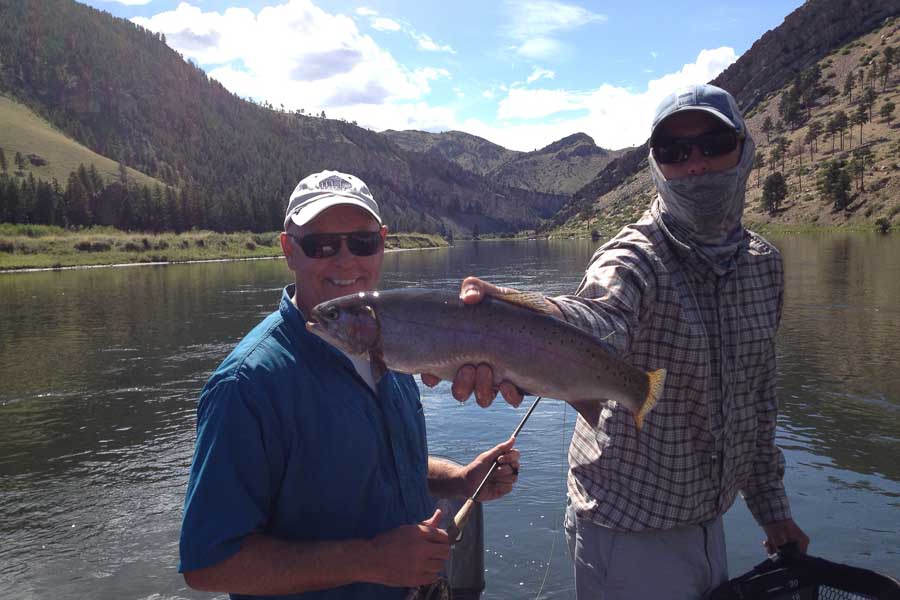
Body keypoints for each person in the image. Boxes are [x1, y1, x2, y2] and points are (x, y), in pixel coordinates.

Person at [425, 84, 809, 599]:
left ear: (744, 148)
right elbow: (597, 316)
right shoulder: (631, 258)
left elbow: (757, 406)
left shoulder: (765, 267)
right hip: (624, 535)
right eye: (674, 151)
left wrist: (774, 513)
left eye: (713, 144)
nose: (695, 164)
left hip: (709, 526)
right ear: (656, 166)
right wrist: (512, 322)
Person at [179, 169, 521, 600]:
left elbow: (373, 466)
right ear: (288, 249)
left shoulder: (393, 347)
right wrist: (369, 560)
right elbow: (208, 562)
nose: (345, 261)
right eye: (320, 245)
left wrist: (461, 480)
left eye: (361, 243)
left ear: (382, 242)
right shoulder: (246, 386)